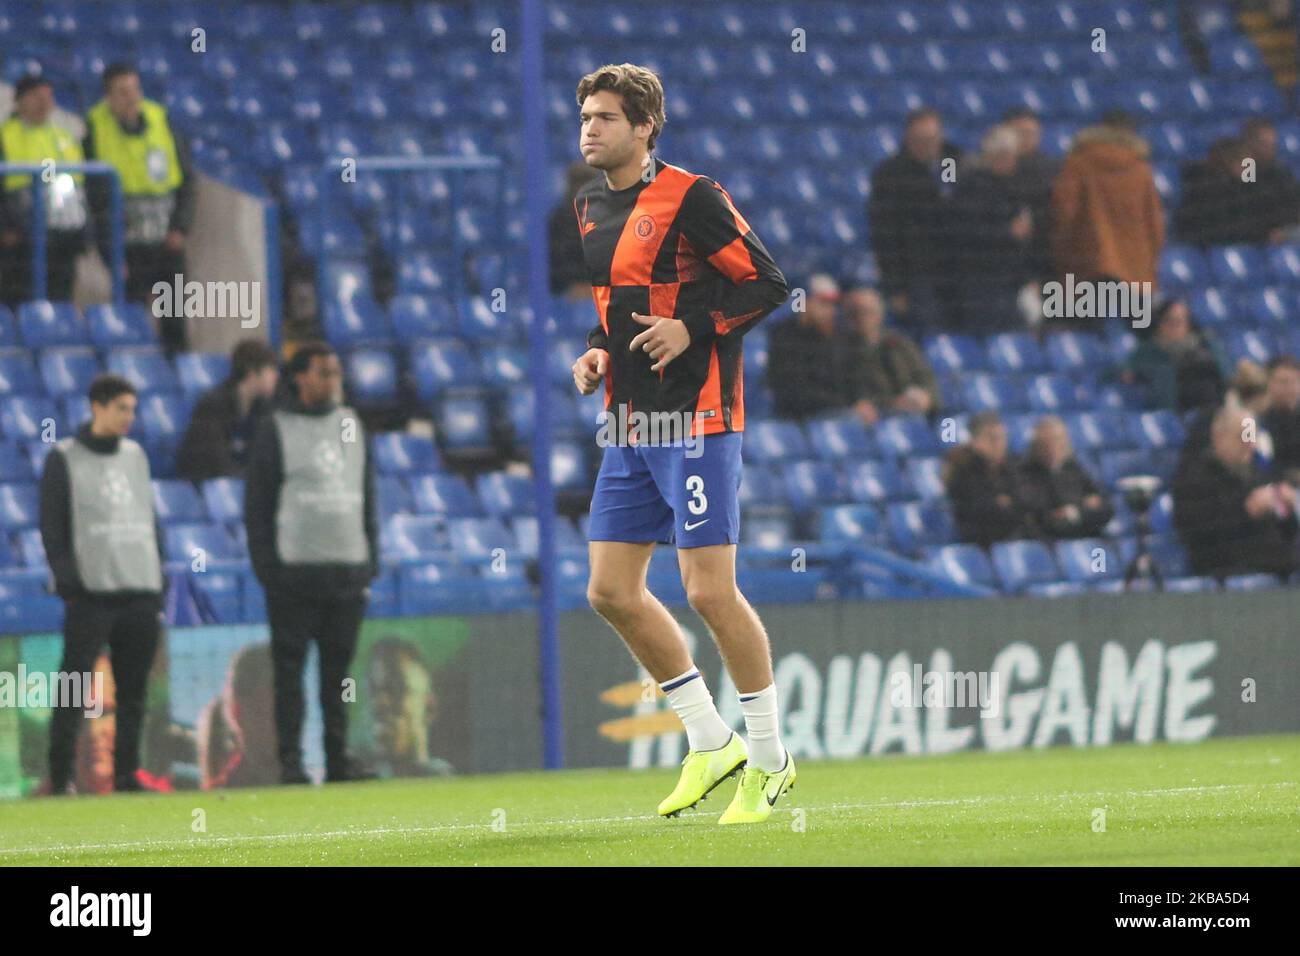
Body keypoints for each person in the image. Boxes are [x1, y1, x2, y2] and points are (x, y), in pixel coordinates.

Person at [569, 63, 794, 825]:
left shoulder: (693, 197)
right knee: (610, 590)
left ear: (644, 127)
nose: (589, 130)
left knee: (706, 589)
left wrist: (691, 327)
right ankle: (709, 738)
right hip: (631, 422)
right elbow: (617, 305)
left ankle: (768, 758)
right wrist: (599, 348)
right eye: (584, 117)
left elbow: (767, 283)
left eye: (604, 118)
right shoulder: (589, 205)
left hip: (698, 420)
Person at [244, 341, 379, 785]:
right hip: (293, 577)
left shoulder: (352, 425)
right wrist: (270, 571)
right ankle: (291, 764)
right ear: (300, 377)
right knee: (290, 674)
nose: (334, 380)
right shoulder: (275, 429)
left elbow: (367, 497)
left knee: (338, 676)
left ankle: (338, 760)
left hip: (347, 573)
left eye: (337, 372)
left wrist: (369, 561)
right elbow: (258, 507)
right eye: (324, 372)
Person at [39, 373, 166, 795]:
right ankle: (61, 778)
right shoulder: (64, 457)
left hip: (139, 591)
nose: (130, 417)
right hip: (91, 595)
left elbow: (150, 520)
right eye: (121, 408)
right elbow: (52, 528)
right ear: (97, 406)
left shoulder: (137, 456)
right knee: (73, 689)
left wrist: (157, 580)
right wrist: (71, 584)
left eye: (133, 409)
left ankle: (127, 775)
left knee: (132, 694)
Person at [83, 63, 196, 354]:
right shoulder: (95, 132)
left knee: (174, 316)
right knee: (130, 318)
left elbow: (186, 181)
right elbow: (94, 201)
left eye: (135, 89)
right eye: (122, 92)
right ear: (108, 97)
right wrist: (110, 254)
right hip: (128, 248)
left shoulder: (162, 121)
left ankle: (176, 371)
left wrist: (180, 228)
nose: (131, 97)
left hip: (166, 244)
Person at [1173, 405, 1298, 579]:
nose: (1250, 445)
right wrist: (1247, 512)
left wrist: (1286, 508)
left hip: (1274, 563)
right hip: (1225, 567)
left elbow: (1287, 532)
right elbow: (1200, 536)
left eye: (1252, 437)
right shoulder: (1194, 478)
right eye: (1243, 436)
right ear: (1218, 437)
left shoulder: (1258, 473)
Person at [868, 107, 963, 334]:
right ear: (908, 139)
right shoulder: (890, 175)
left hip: (959, 274)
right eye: (919, 139)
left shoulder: (957, 163)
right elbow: (885, 237)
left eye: (931, 139)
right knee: (932, 333)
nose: (926, 145)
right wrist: (896, 289)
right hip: (917, 276)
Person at [1051, 110, 1164, 293]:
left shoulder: (1078, 162)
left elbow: (1065, 213)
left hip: (1090, 261)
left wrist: (1063, 256)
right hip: (1135, 267)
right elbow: (1155, 222)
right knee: (1137, 321)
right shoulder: (1141, 169)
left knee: (1085, 319)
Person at [0, 75, 89, 306]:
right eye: (36, 97)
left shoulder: (64, 137)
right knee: (18, 299)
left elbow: (80, 185)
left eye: (48, 97)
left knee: (61, 299)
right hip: (20, 241)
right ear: (19, 102)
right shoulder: (5, 137)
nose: (44, 102)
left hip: (62, 237)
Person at [949, 124, 1035, 334]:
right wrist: (1009, 232)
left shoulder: (1011, 186)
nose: (1014, 161)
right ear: (998, 156)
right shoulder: (971, 187)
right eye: (1010, 156)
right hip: (980, 282)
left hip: (1007, 280)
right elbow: (966, 232)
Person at [176, 338, 279, 482]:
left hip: (238, 480)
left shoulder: (262, 407)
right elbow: (215, 459)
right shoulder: (212, 405)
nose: (276, 376)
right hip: (206, 483)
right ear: (252, 373)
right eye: (271, 369)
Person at [766, 273, 864, 421]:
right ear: (806, 302)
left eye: (833, 305)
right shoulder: (785, 336)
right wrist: (846, 406)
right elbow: (793, 390)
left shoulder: (836, 336)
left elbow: (850, 378)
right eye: (823, 303)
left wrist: (859, 402)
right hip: (799, 417)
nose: (830, 311)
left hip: (836, 413)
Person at [842, 285, 939, 422]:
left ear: (879, 314)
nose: (861, 318)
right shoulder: (841, 351)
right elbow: (852, 395)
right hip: (874, 420)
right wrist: (891, 404)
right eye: (854, 313)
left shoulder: (901, 344)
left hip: (914, 416)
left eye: (866, 312)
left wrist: (926, 396)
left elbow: (926, 379)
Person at [1122, 298, 1230, 412]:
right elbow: (1122, 369)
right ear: (1160, 324)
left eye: (1181, 321)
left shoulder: (1206, 344)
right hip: (1182, 414)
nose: (1176, 327)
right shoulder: (1148, 352)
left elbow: (1228, 375)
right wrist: (1126, 373)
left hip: (1220, 407)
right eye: (1170, 321)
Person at [1015, 416, 1113, 539]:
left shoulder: (1074, 468)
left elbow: (1106, 510)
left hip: (1086, 539)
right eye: (1046, 442)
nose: (1052, 447)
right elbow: (1045, 519)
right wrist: (1083, 507)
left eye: (1058, 440)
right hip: (1051, 543)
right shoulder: (1024, 473)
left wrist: (1072, 512)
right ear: (1035, 445)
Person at [942, 411, 1025, 547]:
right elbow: (973, 509)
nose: (1000, 444)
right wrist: (1000, 504)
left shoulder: (1014, 467)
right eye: (992, 439)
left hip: (1014, 538)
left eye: (1003, 438)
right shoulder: (962, 469)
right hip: (979, 542)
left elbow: (1024, 501)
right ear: (975, 441)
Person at [548, 160, 599, 298]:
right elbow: (555, 262)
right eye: (578, 184)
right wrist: (575, 284)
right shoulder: (558, 221)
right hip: (567, 294)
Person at [1261, 355, 1300, 479]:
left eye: (1295, 381)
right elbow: (1255, 462)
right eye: (1283, 382)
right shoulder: (1253, 420)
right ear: (1269, 384)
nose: (1290, 388)